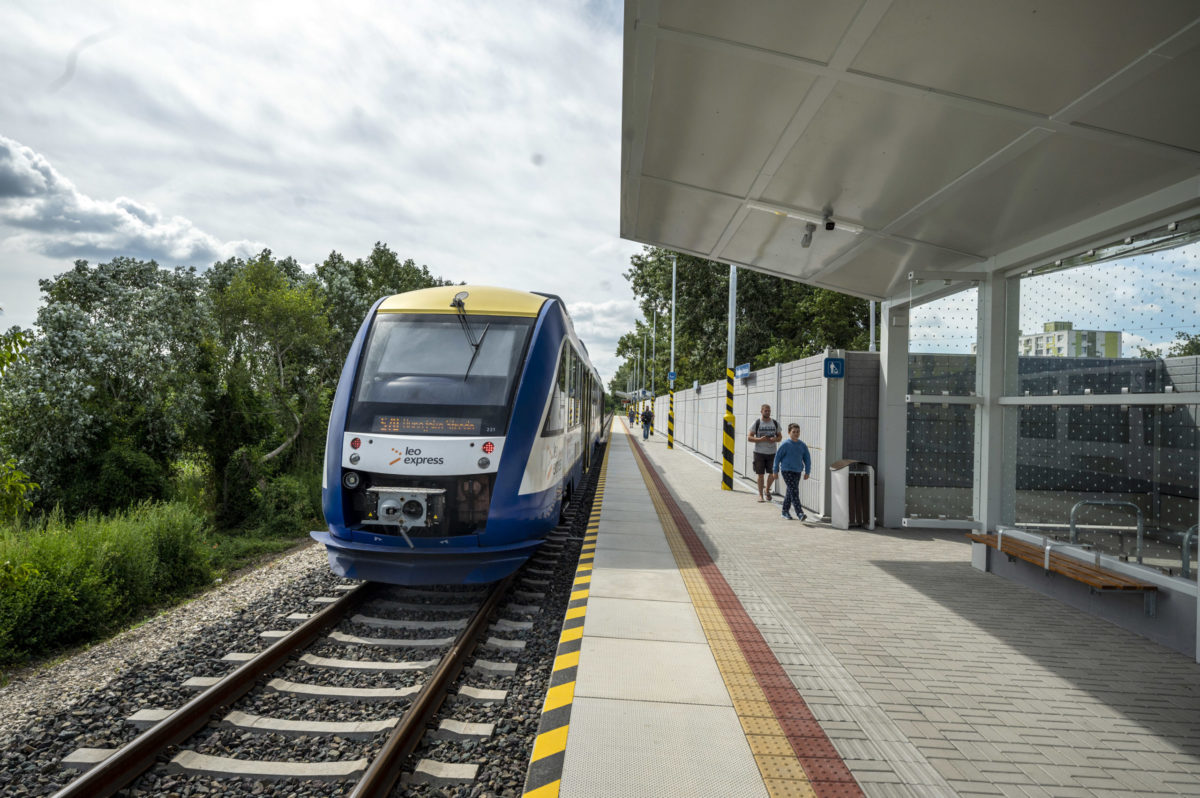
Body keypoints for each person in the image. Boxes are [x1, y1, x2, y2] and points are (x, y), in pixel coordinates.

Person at [772, 423, 811, 521]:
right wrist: (775, 470)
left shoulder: (802, 445)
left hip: (797, 471)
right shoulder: (785, 444)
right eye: (793, 432)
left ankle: (785, 511)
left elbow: (807, 459)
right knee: (794, 491)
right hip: (786, 470)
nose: (796, 434)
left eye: (798, 432)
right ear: (789, 433)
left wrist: (807, 471)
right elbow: (777, 458)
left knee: (790, 491)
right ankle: (800, 513)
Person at [748, 403, 783, 502]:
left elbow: (780, 437)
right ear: (761, 411)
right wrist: (760, 439)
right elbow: (749, 438)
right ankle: (760, 495)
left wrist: (775, 439)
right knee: (760, 475)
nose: (767, 412)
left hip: (772, 453)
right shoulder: (757, 423)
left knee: (772, 473)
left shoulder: (775, 423)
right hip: (759, 452)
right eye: (766, 411)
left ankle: (767, 490)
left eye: (769, 411)